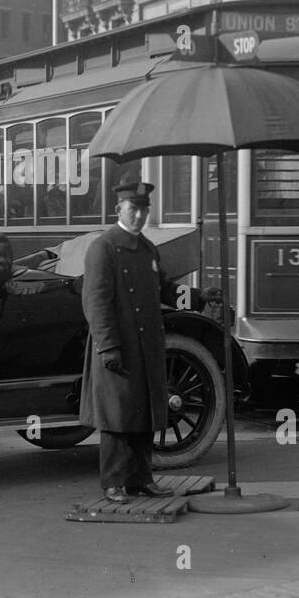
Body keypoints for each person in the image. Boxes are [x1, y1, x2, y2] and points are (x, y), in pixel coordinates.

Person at [79, 177, 218, 503]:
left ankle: (141, 479)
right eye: (133, 209)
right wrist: (108, 346)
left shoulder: (146, 249)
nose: (139, 216)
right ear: (119, 209)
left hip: (147, 347)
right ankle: (113, 483)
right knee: (116, 417)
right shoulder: (103, 248)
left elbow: (165, 290)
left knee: (143, 413)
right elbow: (95, 302)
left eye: (144, 210)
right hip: (118, 346)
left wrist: (197, 296)